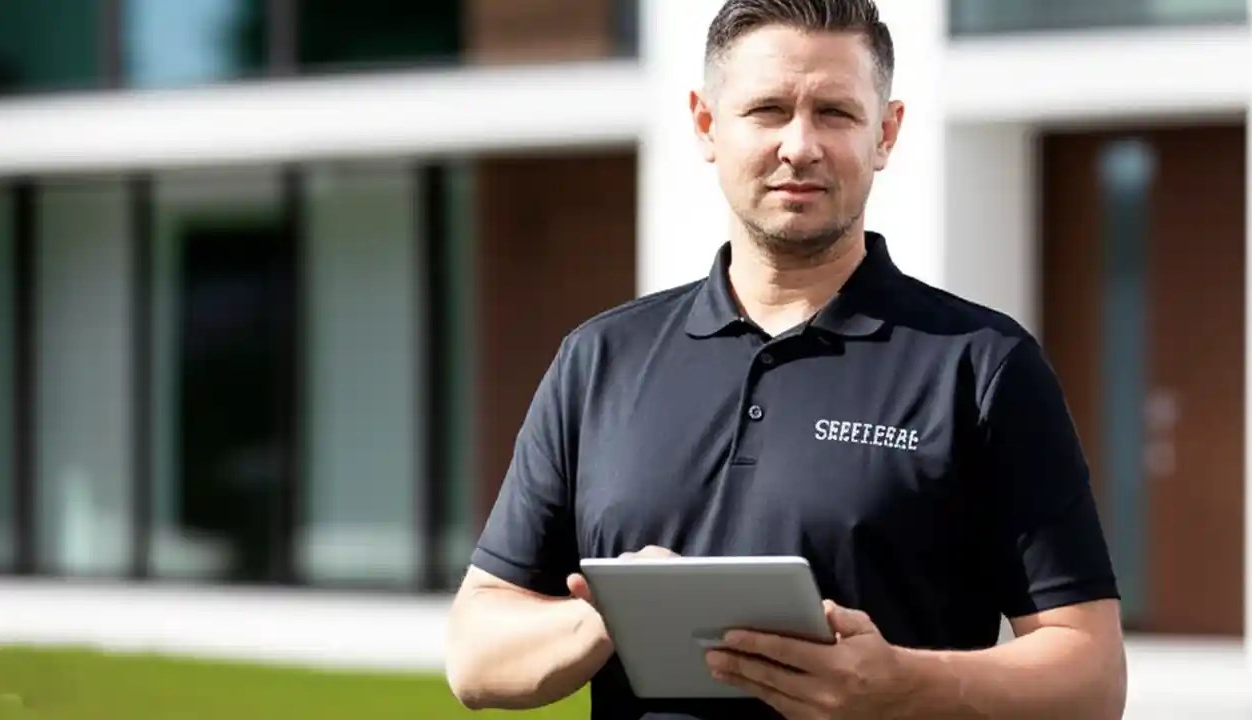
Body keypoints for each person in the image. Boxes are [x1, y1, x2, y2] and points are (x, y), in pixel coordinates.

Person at [445, 0, 1128, 717]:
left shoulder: (982, 367)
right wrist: (609, 613)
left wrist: (902, 685)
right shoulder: (599, 361)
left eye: (835, 113)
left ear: (886, 133)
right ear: (707, 125)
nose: (800, 145)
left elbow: (1091, 675)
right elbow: (477, 655)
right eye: (768, 110)